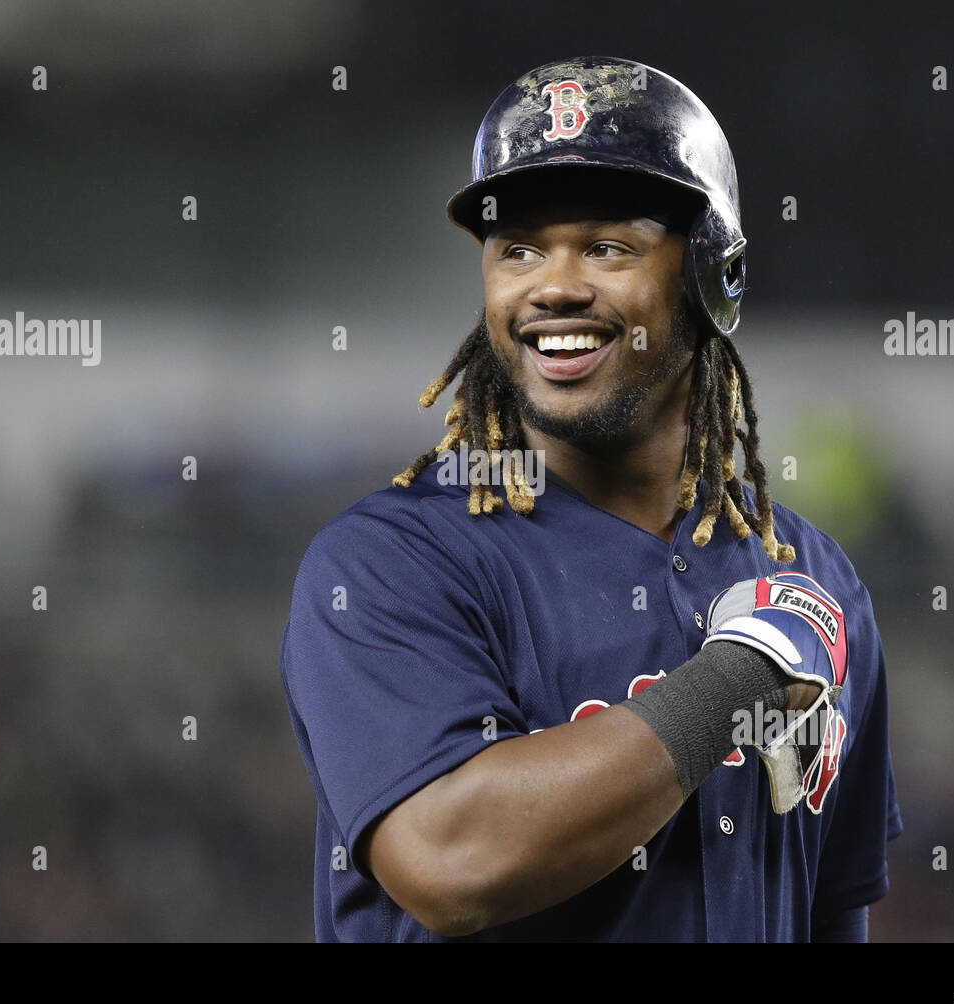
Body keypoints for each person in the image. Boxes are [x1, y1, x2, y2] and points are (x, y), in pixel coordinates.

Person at [280, 56, 902, 942]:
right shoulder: (389, 562)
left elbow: (831, 912)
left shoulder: (815, 577)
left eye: (607, 246)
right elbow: (453, 861)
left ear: (712, 278)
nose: (554, 285)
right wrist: (736, 682)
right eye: (519, 249)